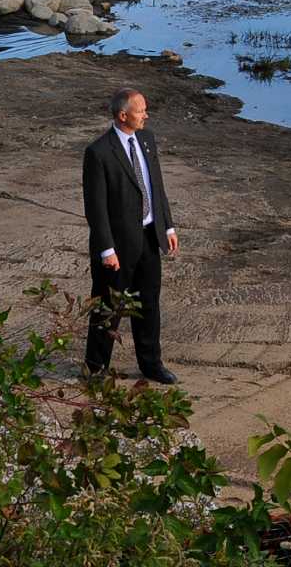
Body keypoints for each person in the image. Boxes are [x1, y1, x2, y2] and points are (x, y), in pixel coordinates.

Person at [81, 86, 179, 382]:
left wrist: (168, 226)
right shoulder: (98, 153)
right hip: (118, 247)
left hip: (150, 237)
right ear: (123, 115)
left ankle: (151, 364)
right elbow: (95, 208)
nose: (145, 115)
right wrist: (106, 249)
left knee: (148, 304)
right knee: (109, 308)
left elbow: (156, 187)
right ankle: (95, 368)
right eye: (140, 111)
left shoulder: (147, 140)